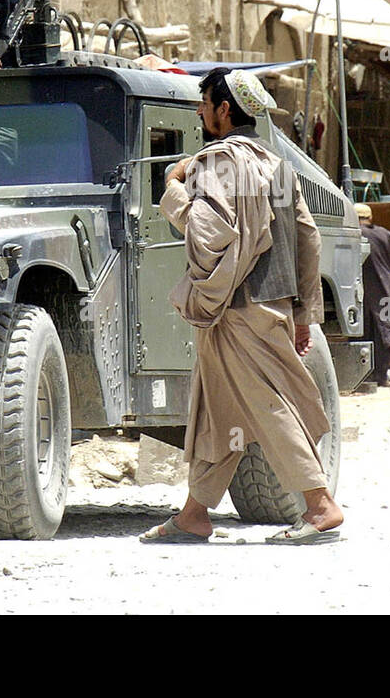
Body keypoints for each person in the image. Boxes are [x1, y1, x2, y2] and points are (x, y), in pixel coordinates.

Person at [140, 67, 344, 545]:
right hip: (267, 305)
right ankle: (194, 513)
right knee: (218, 410)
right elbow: (306, 237)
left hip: (237, 309)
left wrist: (172, 188)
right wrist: (301, 313)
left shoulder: (217, 162)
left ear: (224, 111)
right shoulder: (277, 165)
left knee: (269, 406)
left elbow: (209, 233)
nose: (199, 111)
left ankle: (320, 505)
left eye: (204, 103)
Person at [355, 203, 390, 392]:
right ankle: (382, 377)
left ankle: (366, 375)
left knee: (365, 332)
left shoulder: (354, 233)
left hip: (364, 289)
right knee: (386, 331)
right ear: (369, 218)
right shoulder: (383, 233)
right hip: (386, 287)